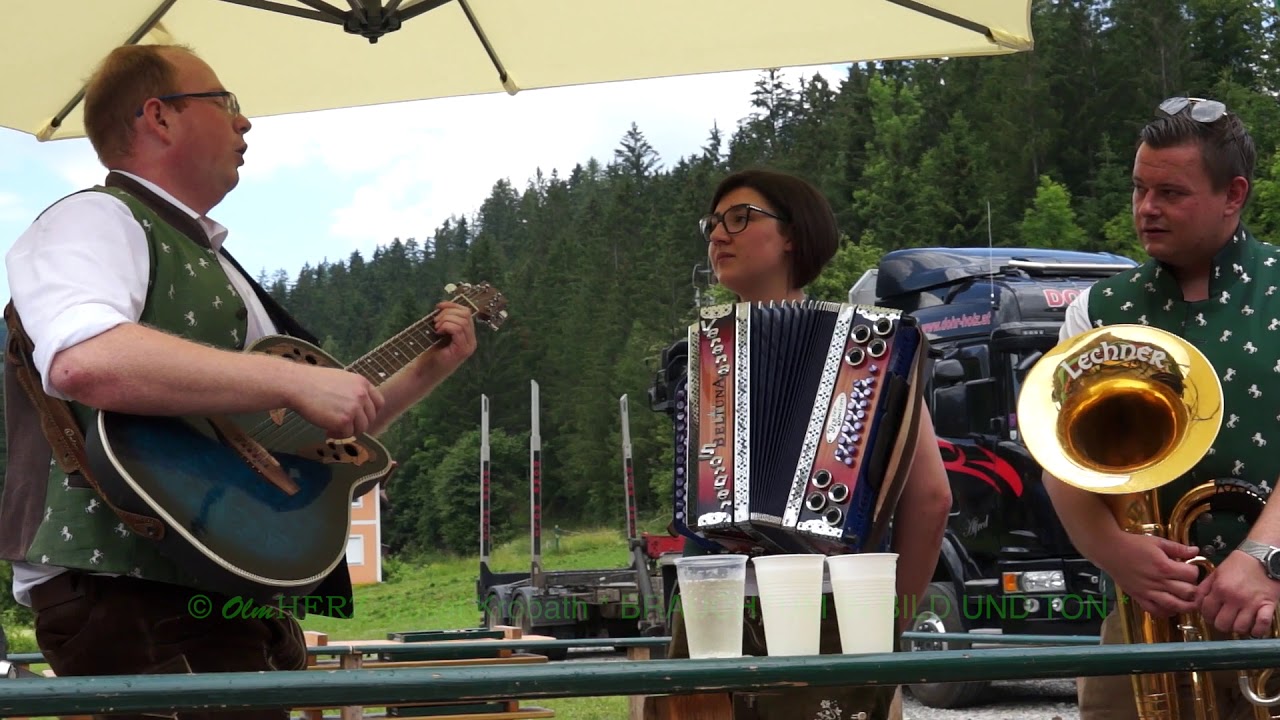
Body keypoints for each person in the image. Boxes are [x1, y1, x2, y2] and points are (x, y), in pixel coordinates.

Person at [0, 44, 477, 720]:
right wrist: (285, 381)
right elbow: (86, 359)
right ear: (159, 117)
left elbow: (318, 431)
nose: (245, 122)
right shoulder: (90, 219)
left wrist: (432, 365)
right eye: (226, 103)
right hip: (128, 586)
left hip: (211, 590)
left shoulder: (218, 270)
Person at [658, 168, 953, 720]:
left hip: (717, 611)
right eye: (713, 223)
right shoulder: (870, 354)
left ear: (793, 234)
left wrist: (890, 623)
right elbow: (932, 501)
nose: (718, 235)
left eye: (740, 219)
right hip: (821, 613)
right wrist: (887, 624)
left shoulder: (870, 348)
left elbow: (932, 499)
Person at [1041, 97, 1277, 720]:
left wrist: (1261, 558)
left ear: (1233, 194)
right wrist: (1113, 553)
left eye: (1170, 192)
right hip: (1146, 612)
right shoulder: (1095, 310)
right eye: (1139, 189)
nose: (1146, 208)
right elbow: (1058, 458)